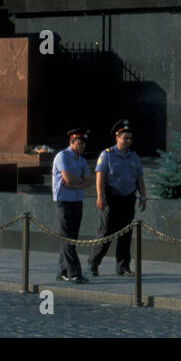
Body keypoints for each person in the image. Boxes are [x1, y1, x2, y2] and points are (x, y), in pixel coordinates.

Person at [88, 119, 147, 277]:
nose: (128, 141)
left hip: (128, 199)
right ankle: (93, 263)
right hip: (111, 199)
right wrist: (100, 196)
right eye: (125, 138)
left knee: (125, 235)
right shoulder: (107, 155)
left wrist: (143, 197)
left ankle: (123, 267)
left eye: (130, 138)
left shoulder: (134, 157)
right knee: (105, 232)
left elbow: (140, 178)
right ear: (117, 138)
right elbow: (100, 177)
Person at [52, 129, 91, 284]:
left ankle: (61, 271)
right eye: (79, 143)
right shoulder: (62, 156)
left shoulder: (81, 160)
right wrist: (77, 183)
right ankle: (74, 273)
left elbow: (88, 181)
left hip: (76, 200)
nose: (82, 146)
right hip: (64, 201)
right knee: (68, 238)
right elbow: (67, 178)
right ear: (71, 142)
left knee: (71, 238)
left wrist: (75, 185)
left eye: (84, 144)